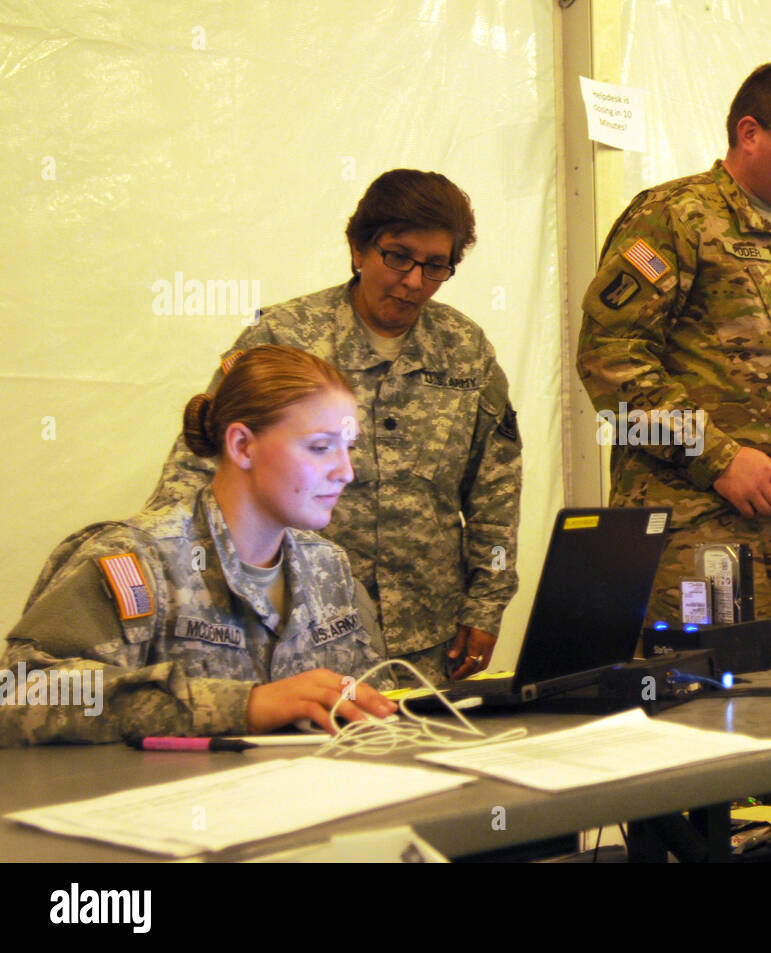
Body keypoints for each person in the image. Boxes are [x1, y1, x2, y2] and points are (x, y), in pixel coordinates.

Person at [148, 170, 522, 683]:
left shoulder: (465, 348)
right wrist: (181, 602)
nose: (414, 280)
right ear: (358, 249)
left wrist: (486, 603)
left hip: (426, 636)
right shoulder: (283, 336)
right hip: (302, 633)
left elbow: (495, 486)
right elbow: (197, 469)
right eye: (398, 256)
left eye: (436, 266)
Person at [0, 345, 397, 745]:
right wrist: (241, 706)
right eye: (320, 447)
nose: (346, 472)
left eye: (350, 447)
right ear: (242, 445)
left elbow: (375, 705)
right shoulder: (136, 562)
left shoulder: (329, 568)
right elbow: (19, 692)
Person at [577, 61, 771, 654]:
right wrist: (720, 458)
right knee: (710, 725)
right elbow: (609, 358)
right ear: (749, 132)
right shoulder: (676, 217)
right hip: (700, 541)